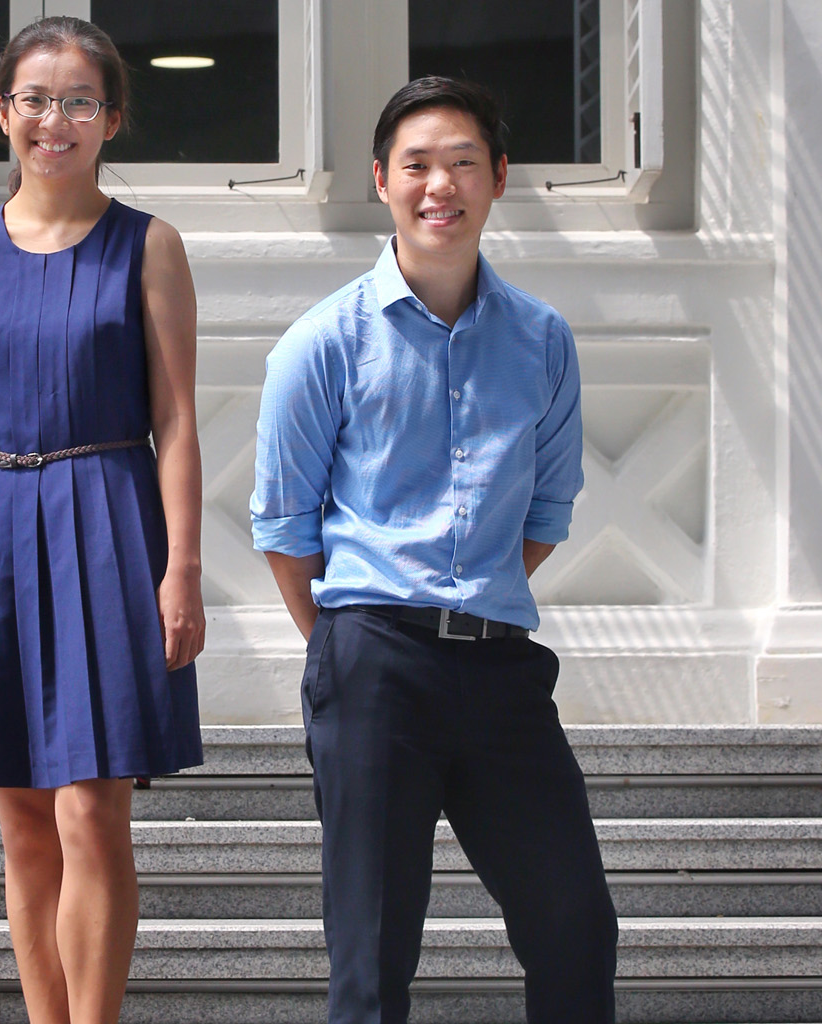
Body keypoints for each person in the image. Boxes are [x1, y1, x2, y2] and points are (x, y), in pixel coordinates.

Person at [251, 77, 618, 1023]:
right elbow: (286, 531)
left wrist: (473, 596)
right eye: (416, 165)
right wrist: (348, 642)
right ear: (382, 181)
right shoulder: (321, 343)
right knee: (372, 958)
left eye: (462, 163)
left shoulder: (543, 341)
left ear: (498, 179)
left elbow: (546, 509)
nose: (438, 186)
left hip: (500, 670)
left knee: (575, 922)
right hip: (374, 663)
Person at [0, 17, 205, 1024]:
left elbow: (175, 418)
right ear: (2, 114)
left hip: (107, 517)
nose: (55, 120)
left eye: (79, 101)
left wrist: (183, 569)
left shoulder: (149, 244)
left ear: (112, 119)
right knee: (22, 819)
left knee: (91, 806)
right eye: (35, 99)